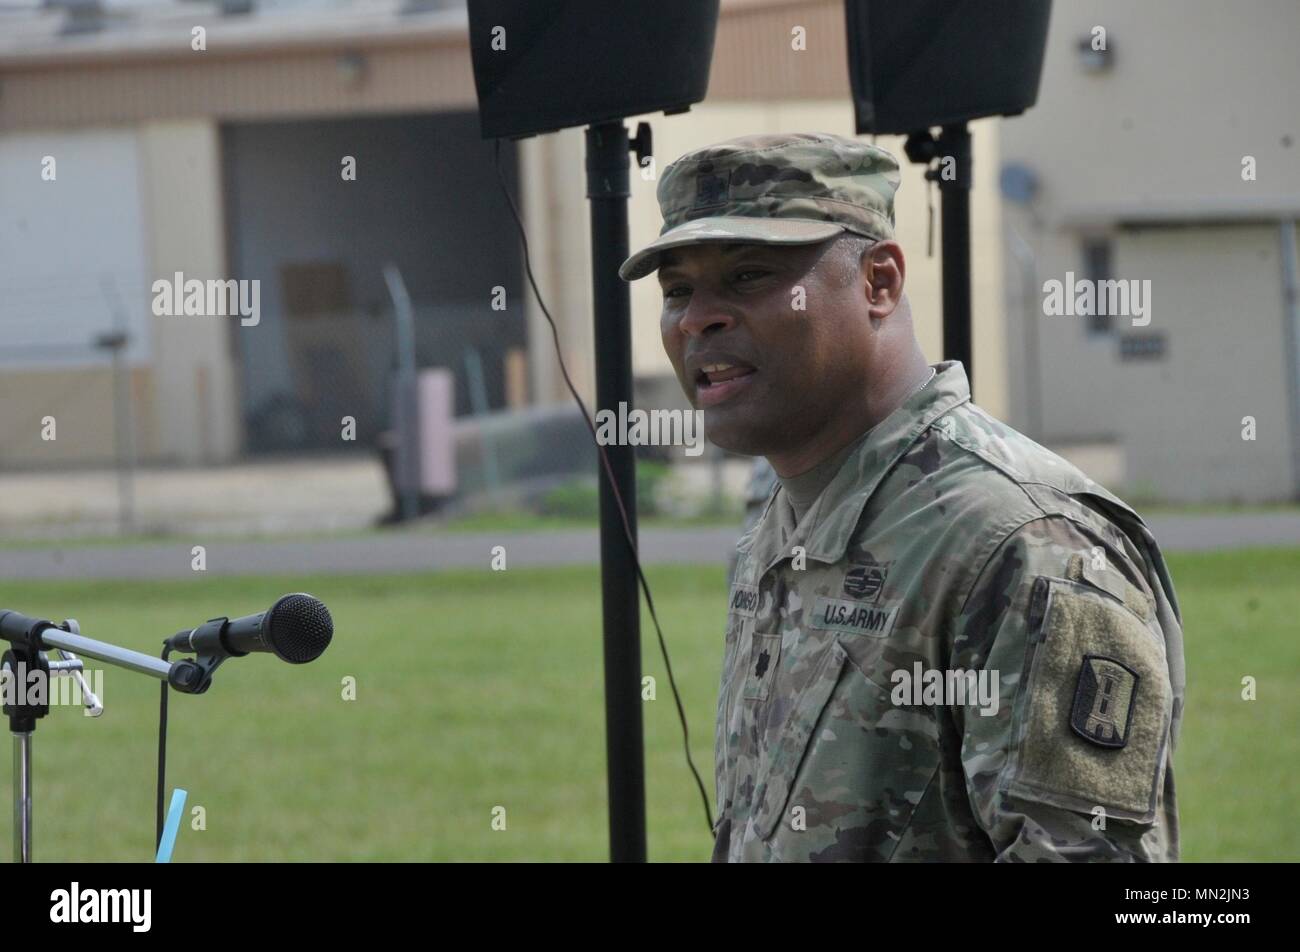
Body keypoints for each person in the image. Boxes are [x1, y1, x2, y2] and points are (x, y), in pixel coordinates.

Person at [618, 132, 1184, 862]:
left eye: (751, 275)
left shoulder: (1025, 543)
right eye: (677, 292)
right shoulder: (782, 519)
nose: (699, 318)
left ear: (878, 283)